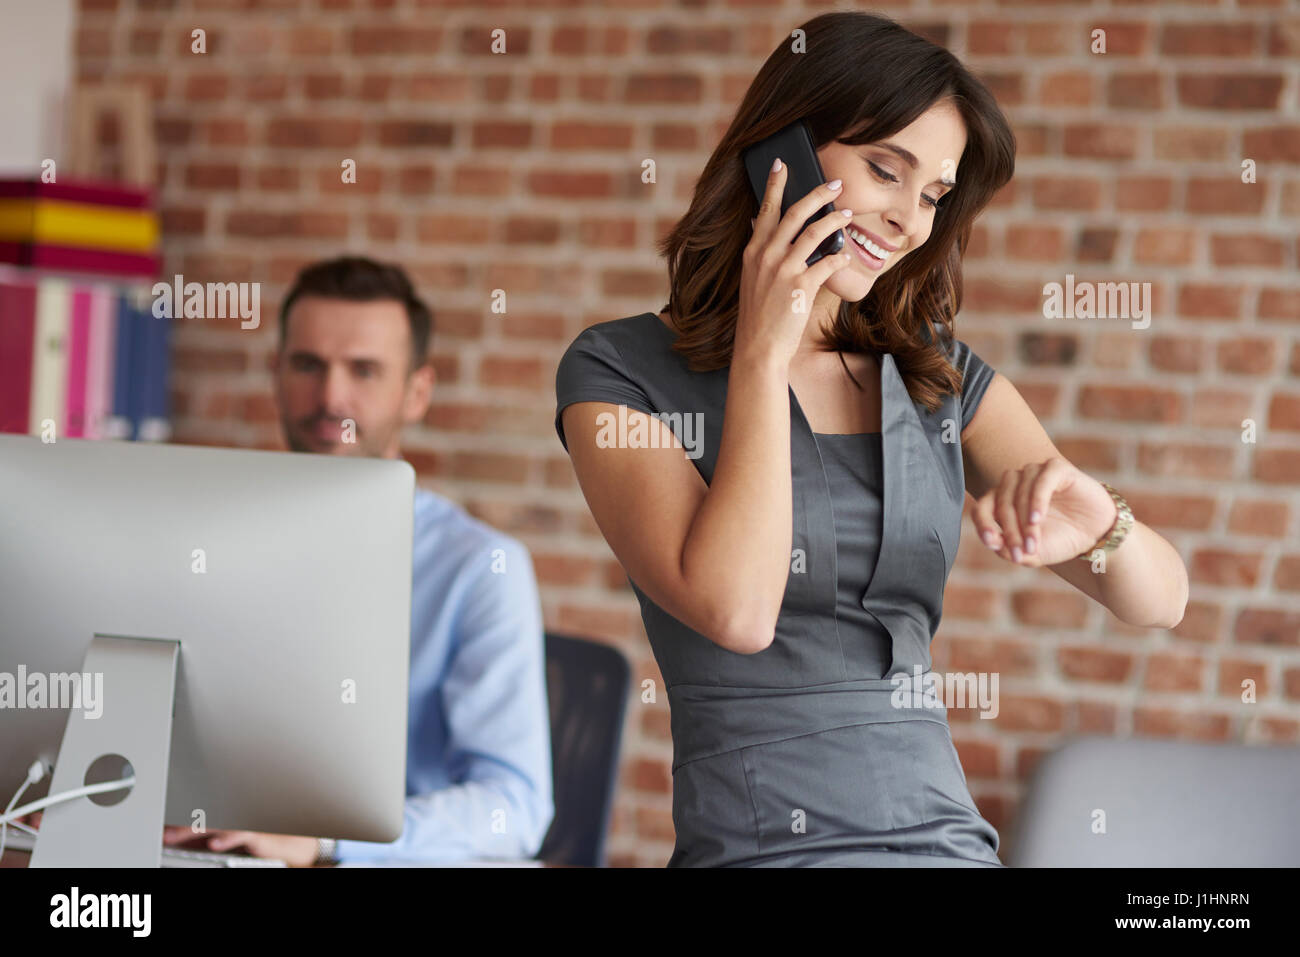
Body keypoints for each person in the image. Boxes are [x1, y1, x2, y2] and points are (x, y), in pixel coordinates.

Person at [554, 12, 1188, 867]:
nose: (908, 221)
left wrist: (1102, 525)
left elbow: (1161, 602)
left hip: (948, 844)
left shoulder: (935, 374)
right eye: (886, 171)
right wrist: (763, 350)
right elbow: (736, 610)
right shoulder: (618, 369)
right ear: (780, 152)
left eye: (933, 195)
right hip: (762, 846)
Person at [164, 255, 555, 865]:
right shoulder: (206, 546)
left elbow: (515, 806)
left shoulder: (482, 570)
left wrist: (323, 840)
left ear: (417, 392)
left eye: (364, 370)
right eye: (307, 365)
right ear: (274, 373)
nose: (330, 396)